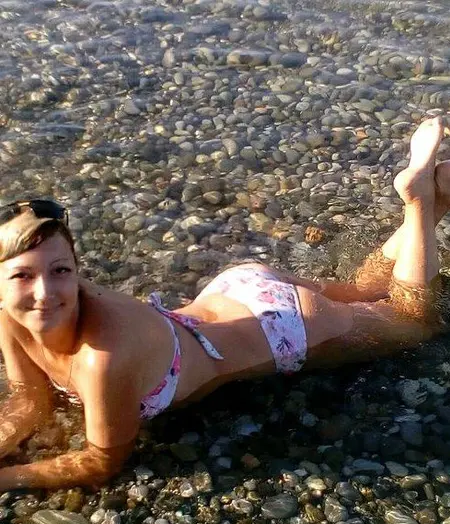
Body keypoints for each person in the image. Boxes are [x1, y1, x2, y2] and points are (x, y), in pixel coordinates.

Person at [0, 117, 448, 491]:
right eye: (22, 275)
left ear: (76, 269)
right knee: (365, 289)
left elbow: (101, 461)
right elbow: (29, 401)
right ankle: (436, 201)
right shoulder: (11, 320)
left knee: (413, 322)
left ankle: (418, 204)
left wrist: (8, 478)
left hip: (280, 324)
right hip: (234, 288)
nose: (45, 293)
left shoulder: (101, 358)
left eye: (60, 271)